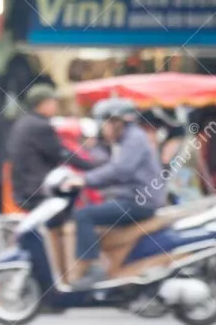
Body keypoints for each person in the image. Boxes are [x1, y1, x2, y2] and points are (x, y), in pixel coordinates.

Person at [63, 98, 166, 290]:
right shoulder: (127, 139)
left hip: (138, 202)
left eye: (104, 123)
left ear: (116, 122)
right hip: (133, 198)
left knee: (83, 216)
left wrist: (85, 180)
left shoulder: (134, 138)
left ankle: (93, 269)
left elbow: (121, 170)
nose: (102, 129)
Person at [7, 84, 64, 210]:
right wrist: (93, 167)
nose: (56, 106)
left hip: (23, 188)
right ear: (42, 104)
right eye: (53, 102)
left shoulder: (23, 122)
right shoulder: (40, 126)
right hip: (37, 190)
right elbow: (61, 153)